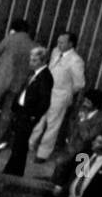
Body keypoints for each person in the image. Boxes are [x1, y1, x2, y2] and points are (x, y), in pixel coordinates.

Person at [30, 32, 86, 162]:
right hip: (46, 91)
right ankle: (30, 144)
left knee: (52, 125)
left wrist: (65, 92)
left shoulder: (76, 60)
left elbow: (79, 83)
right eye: (58, 41)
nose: (58, 44)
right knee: (38, 119)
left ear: (70, 44)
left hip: (60, 96)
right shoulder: (55, 52)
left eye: (62, 42)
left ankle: (42, 154)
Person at [2, 47, 53, 176]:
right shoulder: (34, 73)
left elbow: (44, 103)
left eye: (34, 60)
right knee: (18, 144)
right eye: (31, 59)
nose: (31, 62)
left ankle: (14, 172)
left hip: (28, 114)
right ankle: (12, 169)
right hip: (21, 111)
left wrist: (33, 117)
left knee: (20, 144)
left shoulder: (45, 77)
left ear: (43, 61)